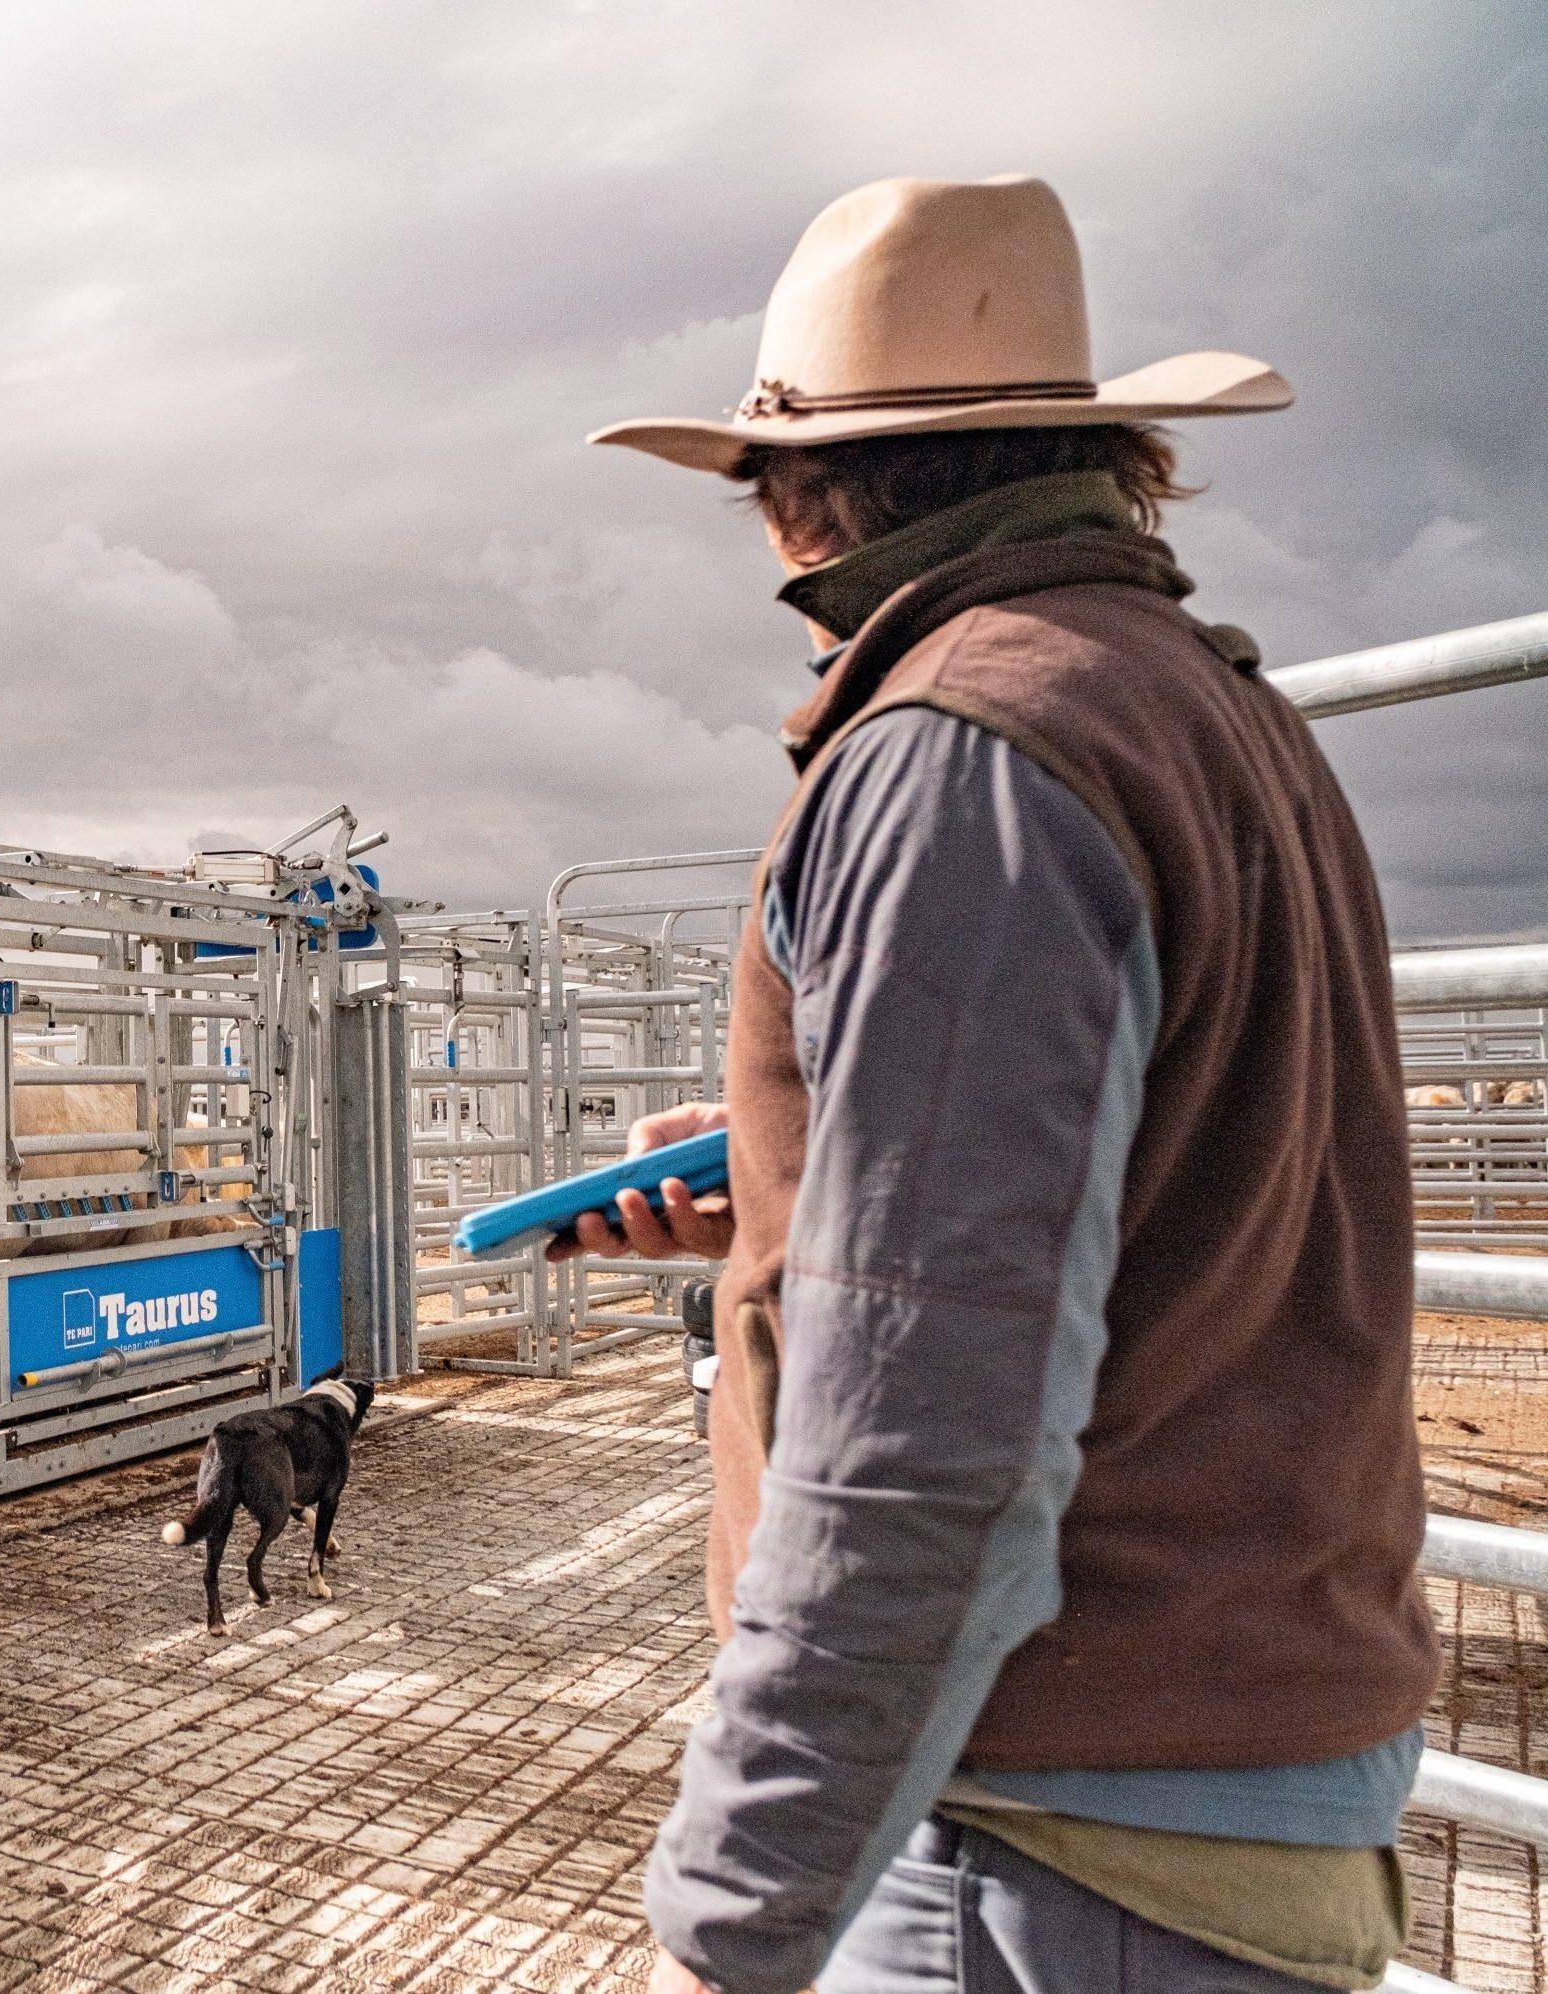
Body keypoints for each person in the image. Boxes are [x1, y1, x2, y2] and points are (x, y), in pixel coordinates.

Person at [575, 175, 1435, 1993]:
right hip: (1219, 1776)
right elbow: (1165, 1177)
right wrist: (805, 1176)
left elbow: (926, 1430)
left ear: (799, 496)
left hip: (1041, 1829)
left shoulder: (959, 755)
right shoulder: (1212, 714)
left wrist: (731, 1911)